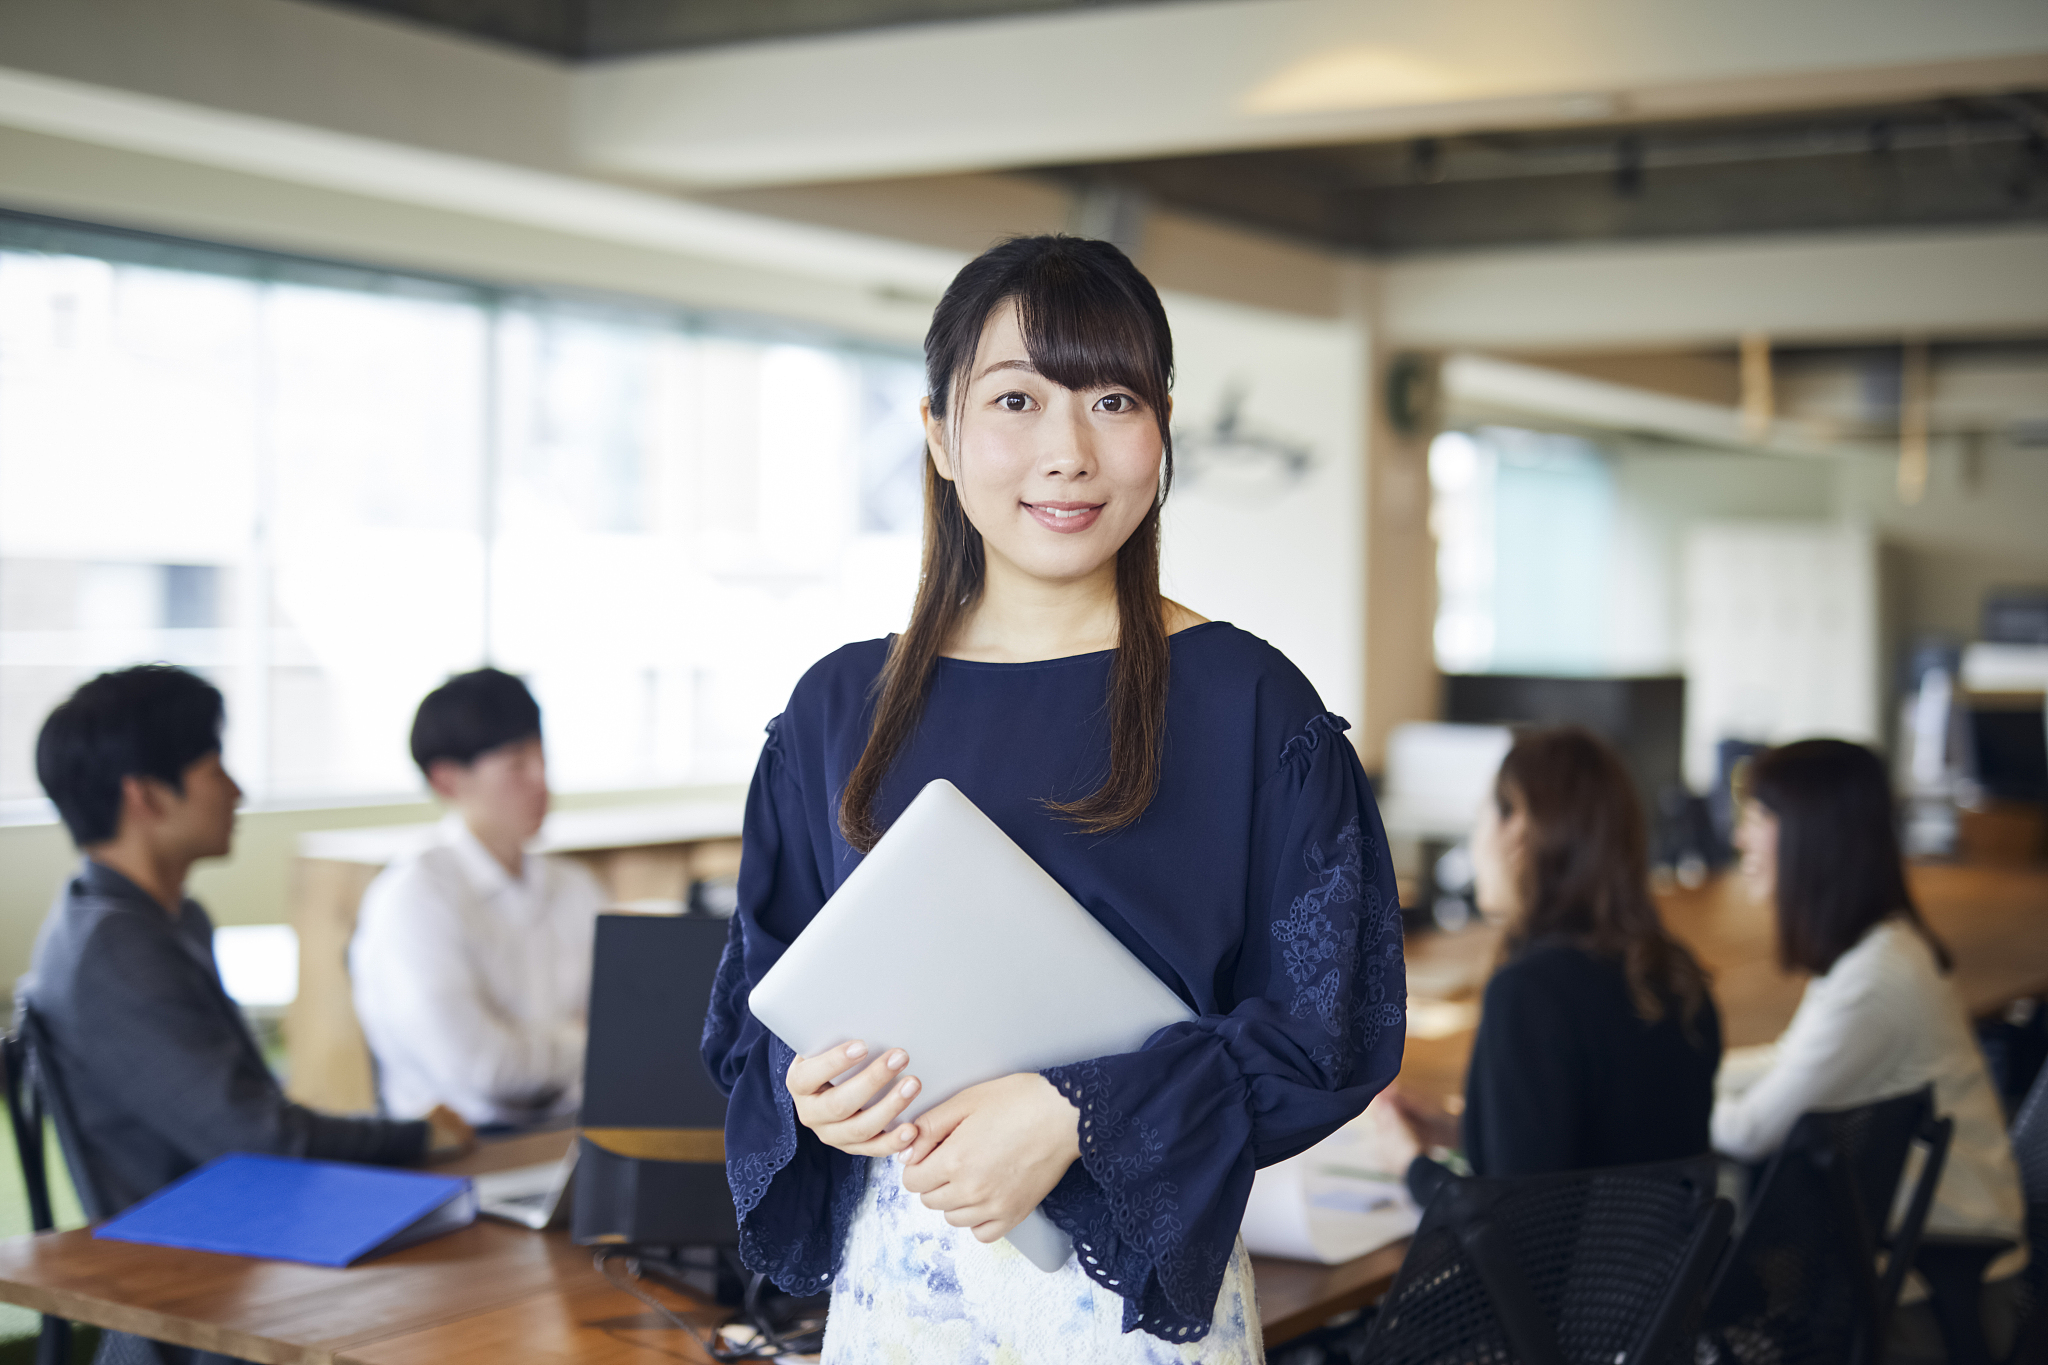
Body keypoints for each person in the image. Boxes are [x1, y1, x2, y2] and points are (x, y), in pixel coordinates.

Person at [701, 235, 1406, 1363]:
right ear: (937, 433)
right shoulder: (837, 707)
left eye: (1111, 399)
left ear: (1160, 427)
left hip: (1135, 1313)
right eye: (1015, 400)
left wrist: (1074, 1112)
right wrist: (807, 1093)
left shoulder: (1249, 704)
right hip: (900, 1296)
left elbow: (1331, 1036)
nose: (1067, 452)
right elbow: (754, 1005)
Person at [23, 665, 473, 1365]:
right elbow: (264, 1136)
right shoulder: (115, 949)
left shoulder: (137, 917)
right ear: (144, 795)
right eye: (214, 767)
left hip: (243, 1251)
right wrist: (418, 1132)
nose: (238, 789)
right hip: (204, 1305)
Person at [1712, 738, 2027, 1362]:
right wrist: (1690, 1074)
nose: (1740, 839)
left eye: (1757, 818)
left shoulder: (1877, 979)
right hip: (1913, 1261)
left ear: (1812, 835)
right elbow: (1786, 1060)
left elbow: (1751, 1130)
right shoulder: (1876, 953)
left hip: (1939, 1290)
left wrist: (1654, 1095)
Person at [1395, 726, 1721, 1199]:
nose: (1476, 843)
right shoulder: (1673, 972)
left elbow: (1509, 1227)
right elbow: (1611, 1145)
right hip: (1658, 1270)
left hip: (1570, 1274)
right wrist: (1461, 1131)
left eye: (1480, 818)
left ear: (1519, 829)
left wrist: (1410, 1165)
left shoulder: (1529, 993)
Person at [350, 668, 604, 1128]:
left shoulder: (576, 886)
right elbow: (481, 1070)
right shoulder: (413, 897)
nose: (541, 779)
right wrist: (586, 1043)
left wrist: (553, 1046)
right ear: (447, 781)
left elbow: (626, 1031)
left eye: (542, 758)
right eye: (516, 765)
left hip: (575, 1132)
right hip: (465, 1152)